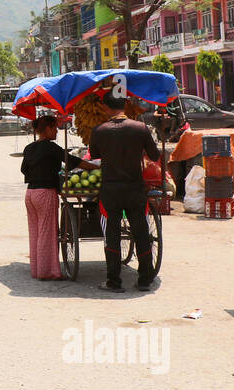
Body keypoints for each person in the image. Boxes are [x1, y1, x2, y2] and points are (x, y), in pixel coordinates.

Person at [89, 92, 161, 291]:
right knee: (141, 232)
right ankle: (145, 279)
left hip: (110, 190)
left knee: (111, 234)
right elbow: (155, 155)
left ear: (106, 108)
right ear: (124, 107)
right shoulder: (140, 128)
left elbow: (94, 156)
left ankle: (114, 281)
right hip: (135, 189)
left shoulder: (99, 130)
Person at [20, 112, 90, 280]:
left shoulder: (29, 148)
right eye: (55, 129)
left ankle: (37, 270)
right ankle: (47, 272)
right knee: (47, 233)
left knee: (35, 232)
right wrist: (93, 167)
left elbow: (24, 170)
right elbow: (72, 161)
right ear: (48, 129)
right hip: (45, 194)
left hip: (30, 194)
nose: (57, 132)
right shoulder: (51, 147)